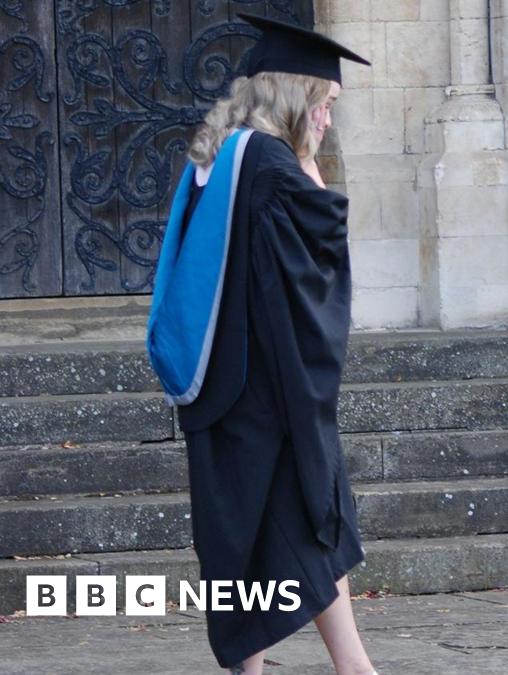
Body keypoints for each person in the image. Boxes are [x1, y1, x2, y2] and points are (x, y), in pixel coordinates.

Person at [146, 14, 376, 675]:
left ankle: (283, 669)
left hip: (225, 394)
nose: (328, 120)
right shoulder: (274, 166)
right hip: (271, 395)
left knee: (248, 537)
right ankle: (354, 667)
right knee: (314, 520)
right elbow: (319, 260)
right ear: (299, 96)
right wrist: (310, 163)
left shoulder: (220, 149)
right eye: (326, 104)